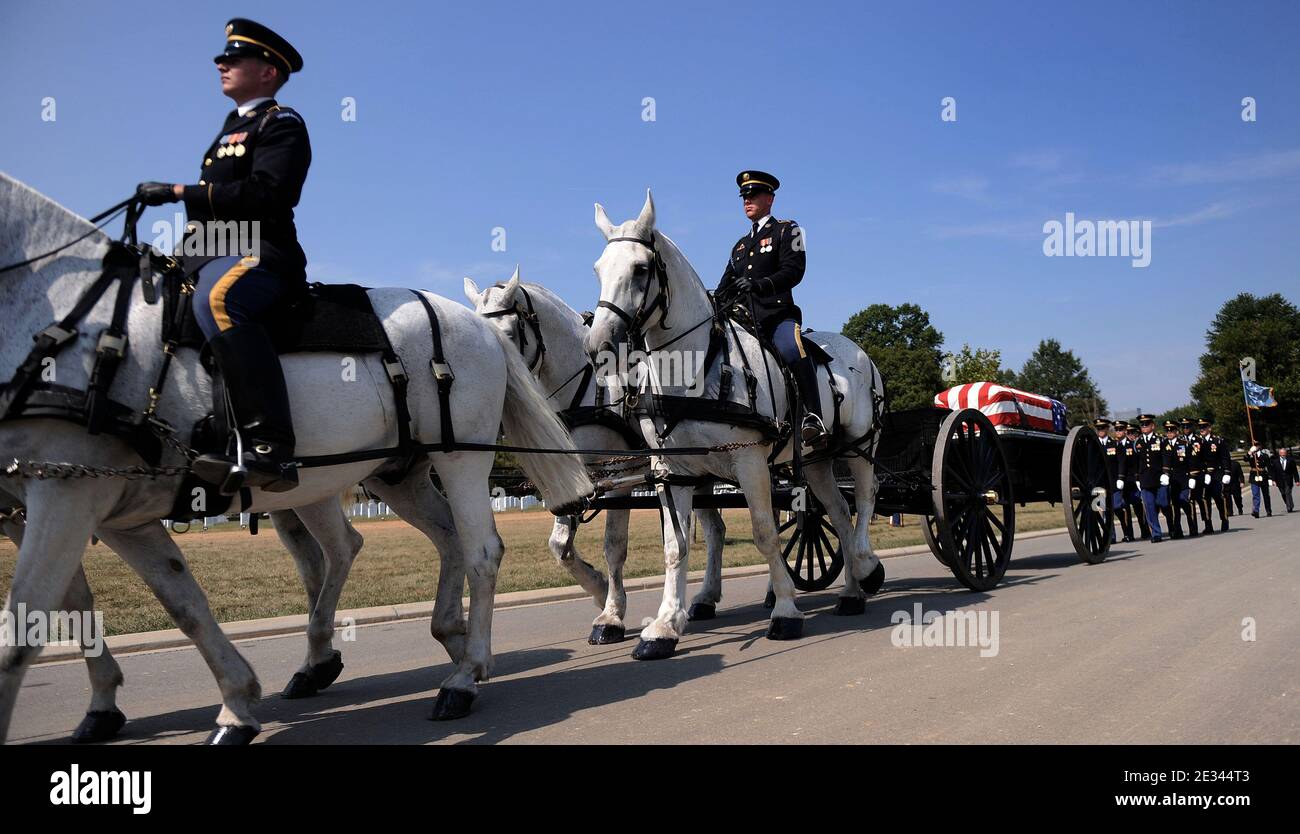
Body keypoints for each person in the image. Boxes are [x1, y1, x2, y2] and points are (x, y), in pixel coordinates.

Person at [134, 19, 309, 492]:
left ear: (268, 72)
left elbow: (268, 194)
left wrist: (178, 191)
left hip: (261, 251)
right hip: (212, 249)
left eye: (234, 58)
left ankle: (269, 444)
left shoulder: (282, 123)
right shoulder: (232, 128)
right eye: (223, 57)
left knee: (218, 301)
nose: (221, 63)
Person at [715, 171, 823, 445]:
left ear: (769, 199)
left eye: (752, 195)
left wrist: (760, 285)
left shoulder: (789, 230)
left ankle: (814, 417)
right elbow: (724, 287)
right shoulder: (739, 246)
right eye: (744, 197)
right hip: (744, 320)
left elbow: (794, 271)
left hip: (776, 316)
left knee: (791, 347)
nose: (746, 201)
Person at [1132, 415, 1170, 543]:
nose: (1144, 427)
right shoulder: (1137, 443)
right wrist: (1137, 478)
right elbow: (1136, 462)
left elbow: (1166, 456)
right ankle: (1156, 533)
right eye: (1142, 425)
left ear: (1152, 425)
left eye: (1146, 424)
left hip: (1159, 478)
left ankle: (1173, 527)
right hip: (1145, 480)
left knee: (1163, 504)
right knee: (1149, 507)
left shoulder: (1161, 440)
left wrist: (1165, 472)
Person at [1114, 421, 1149, 539]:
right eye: (1117, 429)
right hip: (1120, 481)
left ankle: (1145, 530)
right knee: (1122, 507)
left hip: (1133, 480)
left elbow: (1140, 462)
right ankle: (1128, 533)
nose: (1119, 432)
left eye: (1121, 429)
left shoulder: (1133, 445)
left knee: (1137, 506)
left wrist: (1139, 477)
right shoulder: (1114, 445)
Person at [1196, 418, 1230, 531]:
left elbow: (1225, 458)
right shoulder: (1197, 442)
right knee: (1204, 499)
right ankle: (1207, 524)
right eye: (1200, 427)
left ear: (1209, 428)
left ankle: (1224, 520)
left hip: (1216, 473)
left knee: (1219, 497)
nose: (1202, 429)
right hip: (1203, 474)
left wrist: (1227, 472)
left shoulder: (1217, 441)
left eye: (1204, 427)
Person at [1165, 420, 1197, 538]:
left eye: (1172, 430)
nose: (1169, 433)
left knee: (1185, 502)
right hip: (1171, 481)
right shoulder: (1163, 445)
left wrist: (1192, 477)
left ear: (1176, 432)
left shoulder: (1185, 444)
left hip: (1183, 479)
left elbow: (1192, 461)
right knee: (1175, 506)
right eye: (1167, 431)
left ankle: (1192, 526)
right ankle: (1177, 530)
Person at [1247, 445, 1273, 517]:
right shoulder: (1251, 455)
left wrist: (1270, 478)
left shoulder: (1264, 456)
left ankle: (1268, 510)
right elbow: (1245, 459)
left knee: (1266, 495)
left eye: (1257, 446)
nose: (1256, 447)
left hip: (1263, 476)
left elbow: (1269, 467)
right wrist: (1249, 452)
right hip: (1254, 476)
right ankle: (1256, 511)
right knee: (1255, 494)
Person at [1270, 447, 1296, 513]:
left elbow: (1294, 471)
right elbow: (1273, 472)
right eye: (1281, 453)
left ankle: (1289, 507)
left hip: (1288, 480)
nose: (1283, 454)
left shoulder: (1290, 460)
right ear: (1279, 454)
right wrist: (1273, 480)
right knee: (1283, 493)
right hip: (1279, 481)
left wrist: (1297, 480)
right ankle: (1290, 504)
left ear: (1286, 453)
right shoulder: (1275, 461)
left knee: (1287, 493)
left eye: (1284, 453)